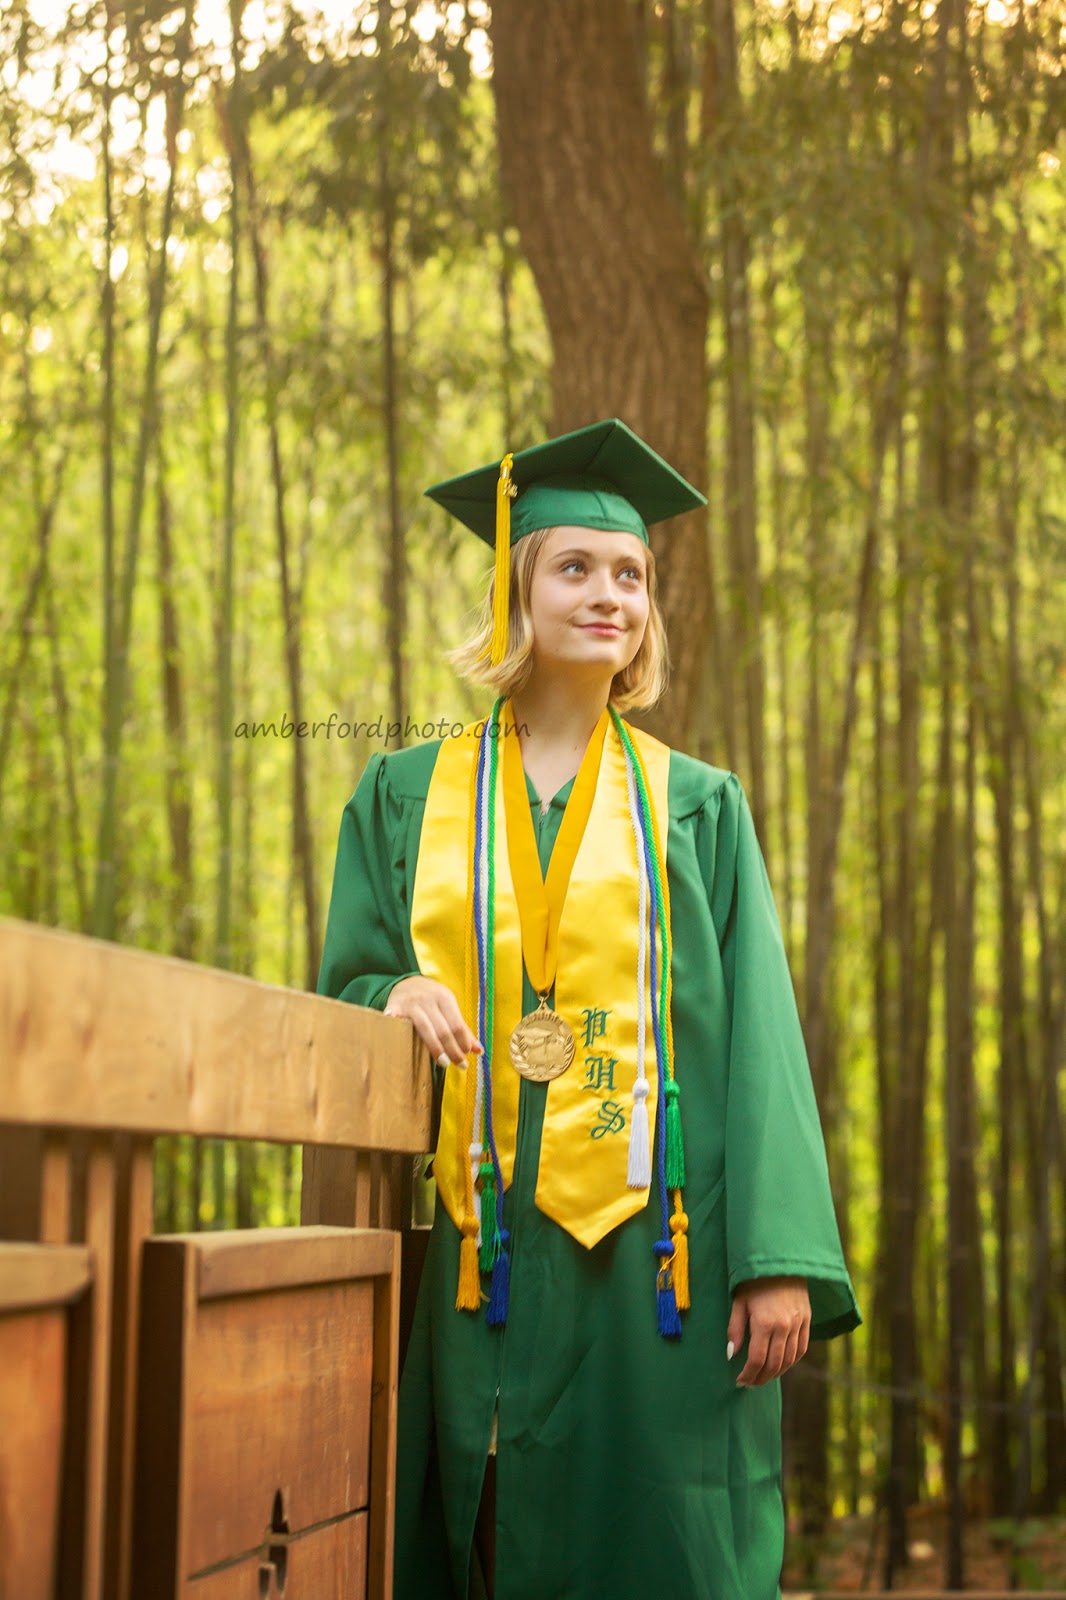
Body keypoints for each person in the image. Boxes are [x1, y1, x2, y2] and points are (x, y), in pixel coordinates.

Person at [317, 418, 861, 1600]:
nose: (607, 594)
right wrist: (393, 991)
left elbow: (759, 1042)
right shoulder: (405, 795)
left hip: (659, 1250)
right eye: (573, 567)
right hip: (482, 1242)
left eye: (630, 576)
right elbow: (345, 984)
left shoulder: (698, 807)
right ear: (516, 592)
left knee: (657, 1531)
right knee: (476, 1514)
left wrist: (777, 1260)